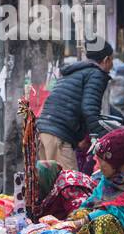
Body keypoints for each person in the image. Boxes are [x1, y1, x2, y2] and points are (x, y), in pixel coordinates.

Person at [35, 42, 113, 172]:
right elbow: (90, 110)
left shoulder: (75, 71)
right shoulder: (96, 74)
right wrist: (107, 137)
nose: (112, 65)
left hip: (44, 130)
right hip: (57, 134)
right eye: (112, 59)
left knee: (50, 184)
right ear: (106, 59)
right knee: (72, 185)